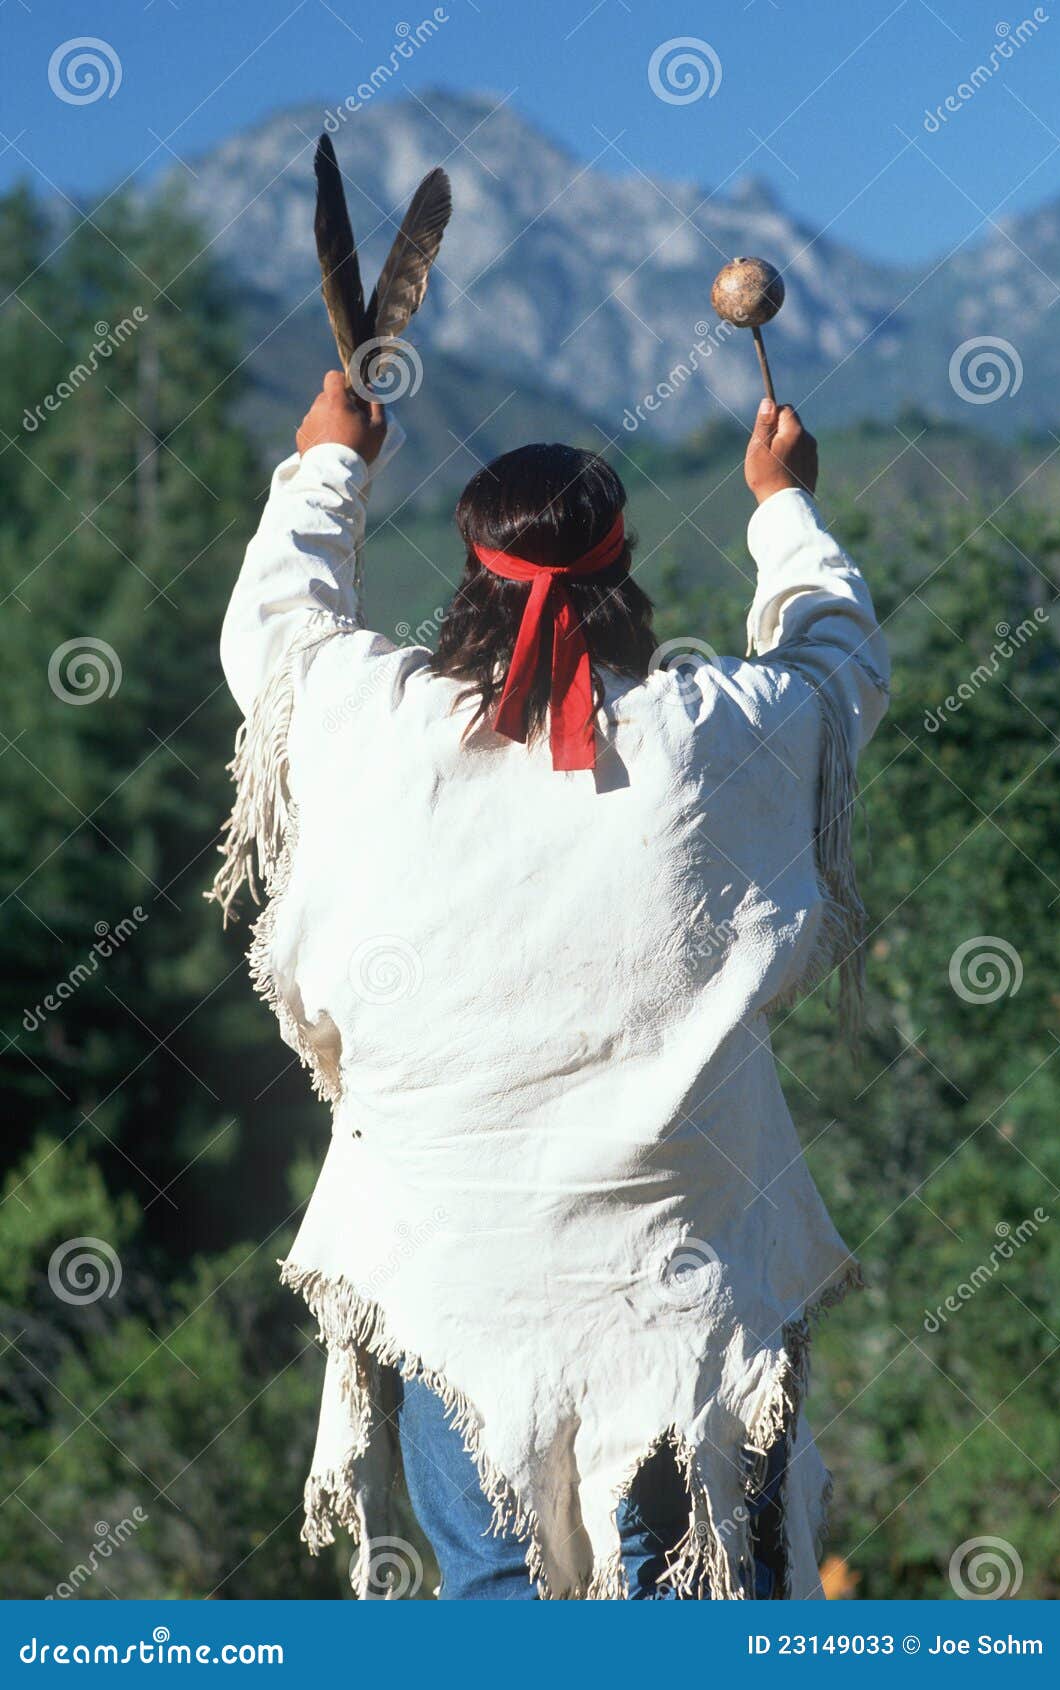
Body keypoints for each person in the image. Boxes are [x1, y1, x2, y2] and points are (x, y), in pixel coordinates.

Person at [211, 373, 889, 1600]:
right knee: (687, 1610)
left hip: (450, 1282)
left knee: (499, 1606)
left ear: (470, 575)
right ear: (621, 577)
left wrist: (328, 468)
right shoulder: (709, 740)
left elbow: (279, 631)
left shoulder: (374, 729)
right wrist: (782, 508)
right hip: (681, 1297)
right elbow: (836, 666)